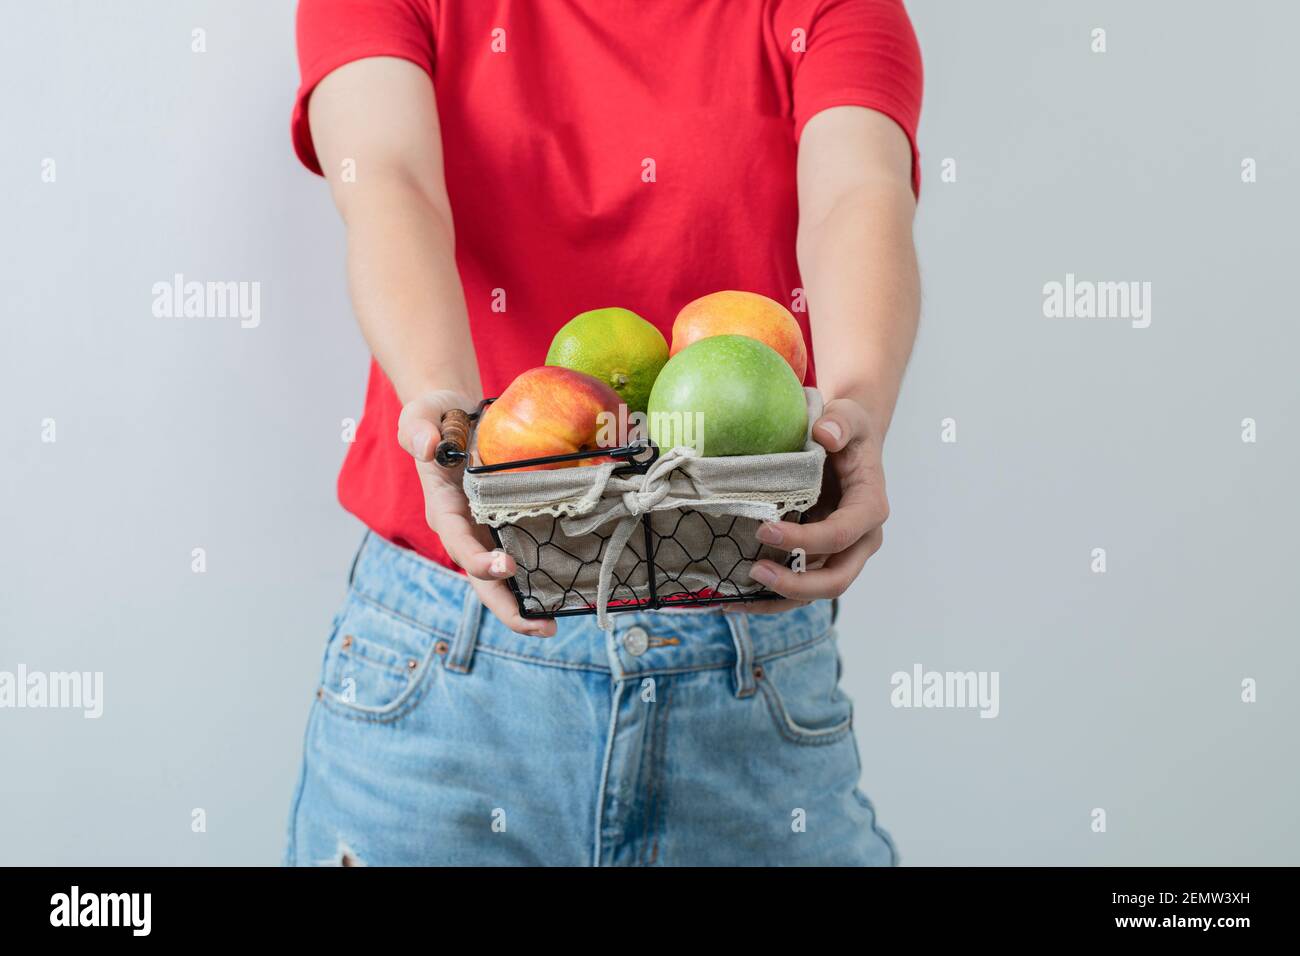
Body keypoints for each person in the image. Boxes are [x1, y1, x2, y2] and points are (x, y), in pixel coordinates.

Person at [283, 0, 922, 866]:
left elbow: (859, 190)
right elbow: (388, 179)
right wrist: (444, 409)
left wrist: (858, 413)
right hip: (446, 650)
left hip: (742, 632)